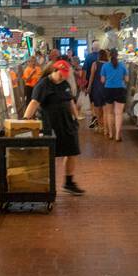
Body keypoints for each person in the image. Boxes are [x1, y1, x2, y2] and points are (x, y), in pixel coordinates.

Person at [22, 59, 84, 195]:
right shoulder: (43, 84)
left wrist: (76, 117)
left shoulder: (65, 84)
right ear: (54, 70)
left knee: (72, 152)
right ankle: (46, 184)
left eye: (65, 74)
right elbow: (34, 103)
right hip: (50, 125)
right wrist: (25, 121)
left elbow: (70, 102)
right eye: (60, 74)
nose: (63, 77)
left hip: (67, 123)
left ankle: (69, 183)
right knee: (49, 155)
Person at [98, 52, 128, 141]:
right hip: (120, 89)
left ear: (109, 56)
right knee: (118, 113)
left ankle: (111, 134)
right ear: (117, 56)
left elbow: (102, 80)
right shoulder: (122, 65)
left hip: (108, 89)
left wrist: (109, 79)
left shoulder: (105, 66)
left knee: (109, 113)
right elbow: (127, 79)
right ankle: (117, 135)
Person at [87, 49, 109, 132]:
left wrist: (89, 87)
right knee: (105, 109)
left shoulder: (95, 64)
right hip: (107, 87)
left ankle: (100, 126)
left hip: (97, 87)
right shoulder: (109, 65)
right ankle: (105, 127)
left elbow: (91, 77)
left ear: (99, 56)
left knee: (97, 107)